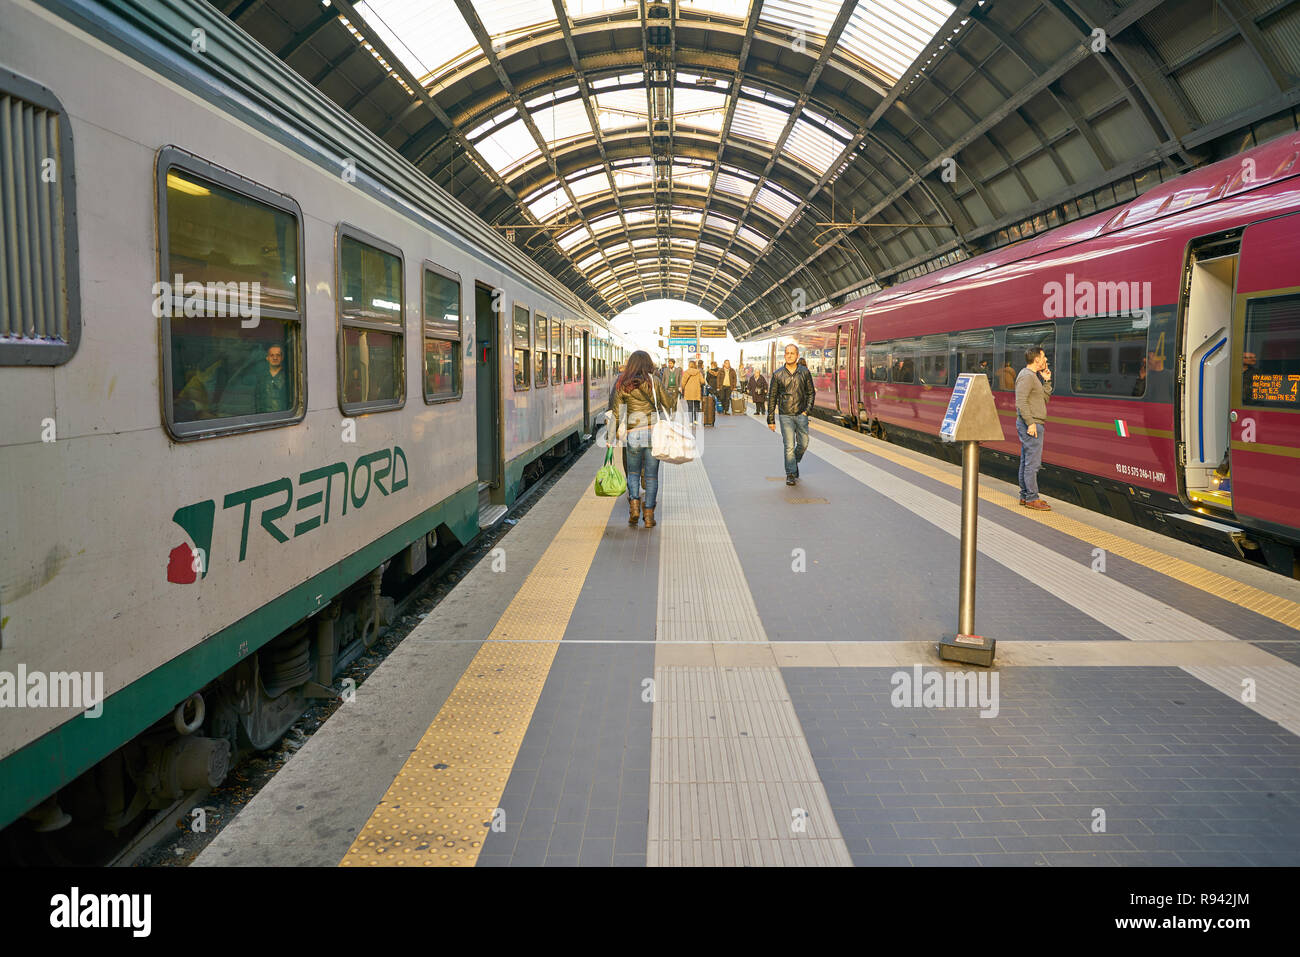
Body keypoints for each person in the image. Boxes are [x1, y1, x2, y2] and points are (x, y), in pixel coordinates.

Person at [610, 350, 670, 528]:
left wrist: (610, 437)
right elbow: (669, 404)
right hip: (653, 432)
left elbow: (617, 413)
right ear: (648, 364)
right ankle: (649, 516)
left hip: (633, 434)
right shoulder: (655, 382)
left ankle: (634, 507)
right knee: (651, 476)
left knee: (633, 473)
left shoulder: (623, 384)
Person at [767, 344, 815, 486]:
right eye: (787, 353)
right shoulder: (778, 374)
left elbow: (811, 393)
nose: (789, 355)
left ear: (797, 355)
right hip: (785, 415)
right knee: (789, 445)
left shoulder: (804, 372)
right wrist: (771, 419)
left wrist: (807, 411)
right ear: (784, 355)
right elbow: (772, 397)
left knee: (804, 444)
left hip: (801, 414)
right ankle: (790, 474)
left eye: (792, 353)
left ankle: (793, 463)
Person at [1015, 346, 1053, 510]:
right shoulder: (1027, 377)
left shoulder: (1033, 377)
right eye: (1044, 357)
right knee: (1032, 462)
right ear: (1036, 359)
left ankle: (1025, 495)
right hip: (1031, 424)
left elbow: (1043, 399)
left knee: (1026, 460)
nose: (1045, 360)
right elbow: (1020, 402)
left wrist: (1046, 381)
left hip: (1033, 423)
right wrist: (1030, 423)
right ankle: (1031, 497)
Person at [254, 344, 291, 413]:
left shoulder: (289, 376)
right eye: (272, 355)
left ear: (282, 358)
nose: (275, 358)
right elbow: (257, 399)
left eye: (278, 355)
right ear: (267, 358)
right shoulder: (261, 377)